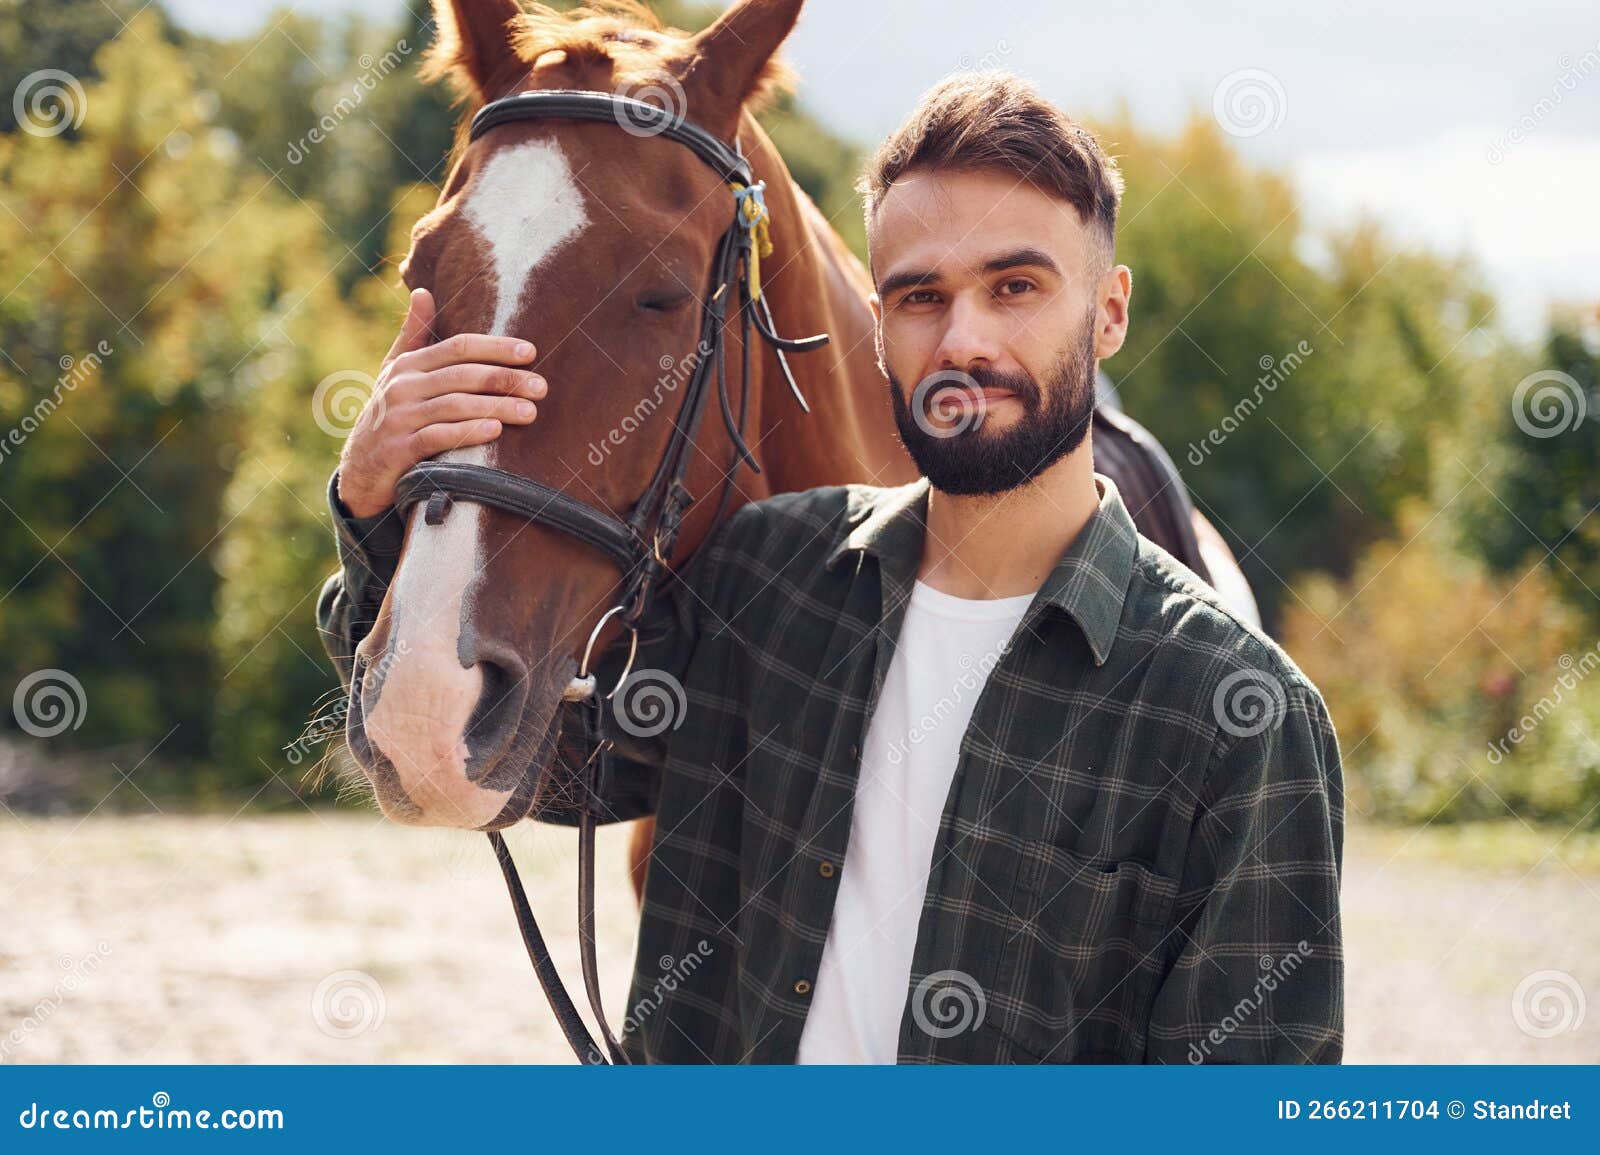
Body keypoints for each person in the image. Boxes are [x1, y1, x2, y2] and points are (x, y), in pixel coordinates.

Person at [320, 72, 1343, 1064]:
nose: (964, 340)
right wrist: (374, 509)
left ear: (1109, 312)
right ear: (877, 326)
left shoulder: (1238, 714)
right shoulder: (759, 584)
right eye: (918, 295)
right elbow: (533, 763)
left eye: (1016, 286)